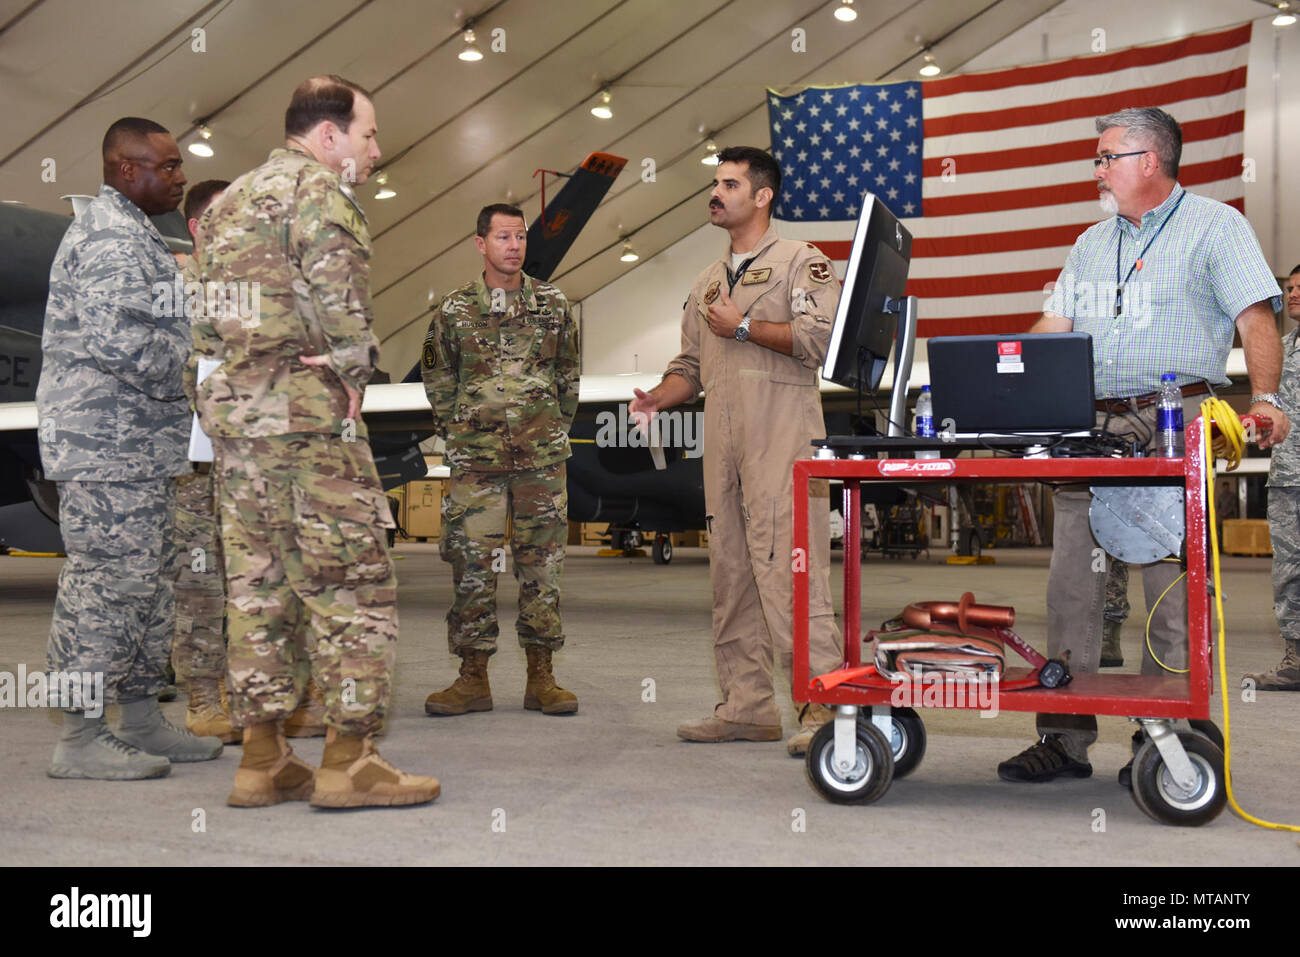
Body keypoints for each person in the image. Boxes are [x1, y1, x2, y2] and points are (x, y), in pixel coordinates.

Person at [999, 107, 1290, 784]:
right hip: (1090, 424)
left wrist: (1269, 400)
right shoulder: (1091, 243)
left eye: (1105, 157)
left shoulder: (1218, 226)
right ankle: (1064, 738)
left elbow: (1256, 316)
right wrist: (1005, 372)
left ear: (1148, 161)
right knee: (1074, 583)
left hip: (1175, 414)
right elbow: (1056, 320)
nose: (1096, 170)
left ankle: (1168, 731)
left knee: (1174, 586)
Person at [194, 75, 438, 808]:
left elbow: (203, 328)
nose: (376, 150)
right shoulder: (322, 193)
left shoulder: (228, 201)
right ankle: (349, 759)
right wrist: (352, 367)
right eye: (368, 135)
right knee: (351, 586)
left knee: (257, 590)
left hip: (240, 433)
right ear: (328, 136)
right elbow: (342, 305)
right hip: (309, 430)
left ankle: (261, 758)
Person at [627, 146, 844, 755]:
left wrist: (744, 327)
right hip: (723, 450)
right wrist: (659, 399)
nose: (716, 192)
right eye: (715, 183)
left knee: (790, 573)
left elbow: (818, 340)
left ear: (763, 195)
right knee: (731, 575)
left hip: (782, 441)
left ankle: (826, 703)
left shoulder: (804, 262)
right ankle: (747, 706)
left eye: (729, 184)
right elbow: (690, 365)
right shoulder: (706, 282)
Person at [38, 117, 224, 780]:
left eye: (177, 166)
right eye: (166, 166)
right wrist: (202, 374)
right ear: (125, 170)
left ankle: (141, 719)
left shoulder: (138, 232)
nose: (178, 178)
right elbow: (124, 346)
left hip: (139, 449)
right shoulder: (112, 237)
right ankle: (81, 737)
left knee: (148, 586)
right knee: (107, 586)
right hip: (105, 447)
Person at [421, 204, 581, 717]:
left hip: (541, 460)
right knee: (472, 566)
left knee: (543, 568)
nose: (514, 245)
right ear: (480, 243)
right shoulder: (453, 309)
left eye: (521, 236)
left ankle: (542, 677)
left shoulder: (553, 304)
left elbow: (569, 374)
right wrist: (459, 432)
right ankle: (472, 679)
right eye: (504, 236)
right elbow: (438, 378)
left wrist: (552, 425)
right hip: (477, 465)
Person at [1246, 264, 1300, 691]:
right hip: (1286, 478)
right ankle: (1296, 658)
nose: (1294, 293)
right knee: (1288, 570)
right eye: (1290, 288)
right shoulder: (1277, 351)